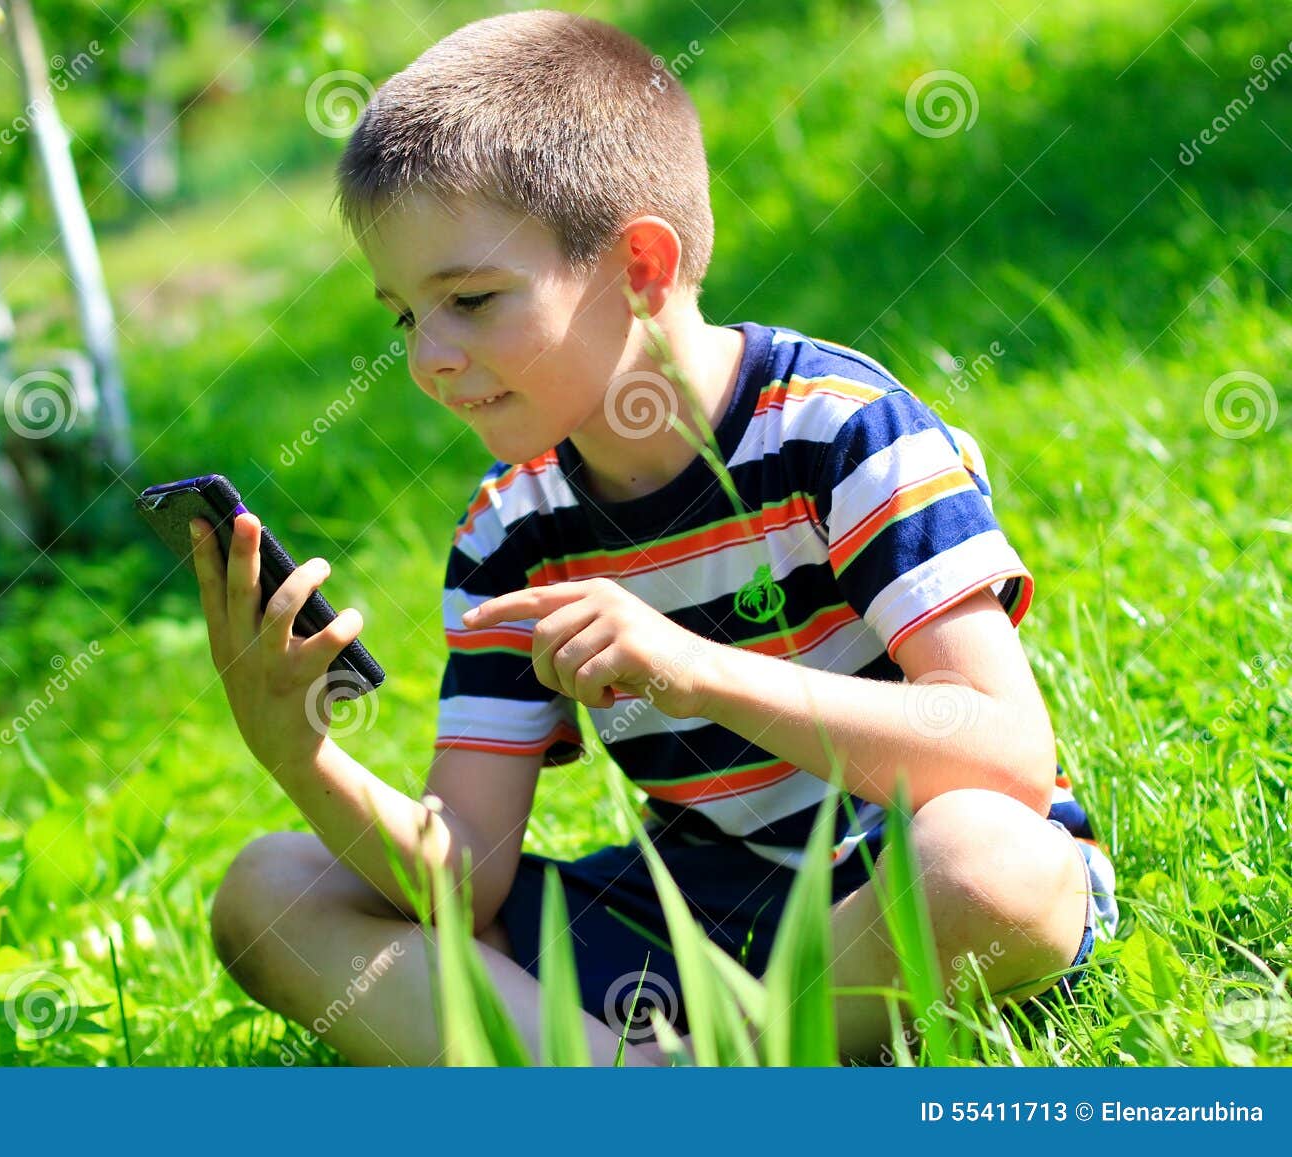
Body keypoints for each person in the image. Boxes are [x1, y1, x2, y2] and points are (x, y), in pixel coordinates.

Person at [195, 8, 1118, 1066]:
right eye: (406, 316)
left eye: (471, 299)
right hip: (692, 924)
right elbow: (464, 884)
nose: (428, 358)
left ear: (638, 266)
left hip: (895, 886)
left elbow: (1005, 755)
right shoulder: (509, 530)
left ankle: (659, 1075)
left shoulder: (839, 430)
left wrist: (698, 671)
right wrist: (297, 751)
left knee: (991, 866)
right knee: (271, 890)